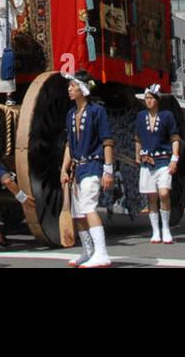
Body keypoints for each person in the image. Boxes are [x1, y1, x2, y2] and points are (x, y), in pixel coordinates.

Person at [60, 70, 114, 268]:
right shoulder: (71, 114)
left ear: (83, 89)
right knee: (78, 214)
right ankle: (88, 251)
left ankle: (102, 253)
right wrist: (63, 169)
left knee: (89, 208)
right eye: (70, 86)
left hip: (93, 165)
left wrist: (108, 170)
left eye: (73, 86)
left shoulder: (97, 111)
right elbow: (69, 144)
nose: (70, 89)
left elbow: (107, 141)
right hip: (77, 168)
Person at [134, 84, 180, 244]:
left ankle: (165, 227)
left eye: (151, 98)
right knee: (151, 197)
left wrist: (175, 158)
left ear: (157, 100)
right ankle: (155, 230)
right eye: (146, 98)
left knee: (164, 193)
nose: (148, 101)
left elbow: (175, 138)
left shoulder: (167, 116)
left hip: (163, 160)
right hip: (147, 161)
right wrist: (137, 157)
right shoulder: (141, 116)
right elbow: (138, 139)